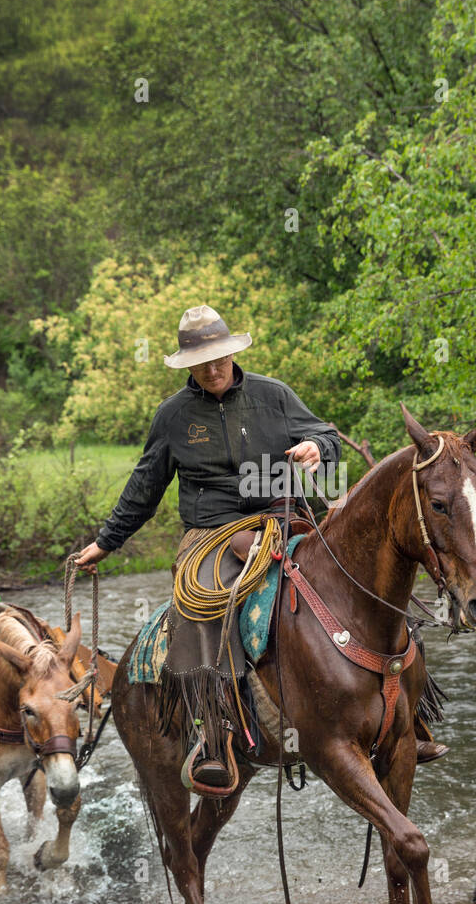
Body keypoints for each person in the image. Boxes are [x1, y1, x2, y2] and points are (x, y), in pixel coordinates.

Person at [75, 304, 341, 784]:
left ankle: (407, 710)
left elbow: (325, 433)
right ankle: (212, 735)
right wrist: (105, 543)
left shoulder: (274, 395)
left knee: (360, 568)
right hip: (211, 533)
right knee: (202, 600)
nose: (213, 369)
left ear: (232, 353)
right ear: (187, 364)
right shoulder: (173, 416)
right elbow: (145, 486)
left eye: (220, 358)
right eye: (202, 362)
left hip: (281, 519)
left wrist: (317, 447)